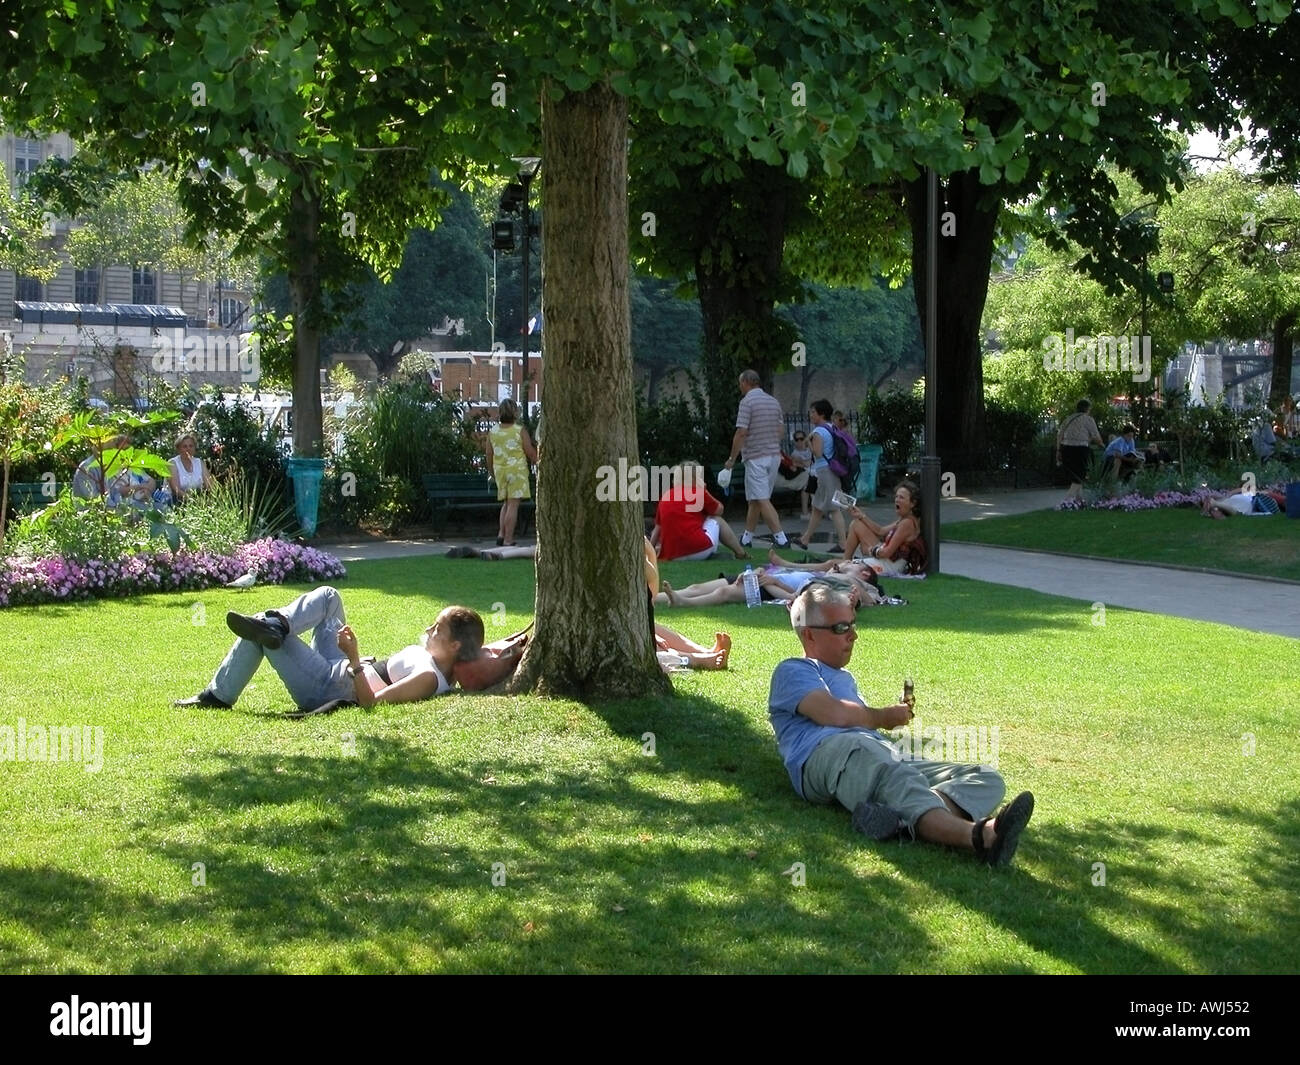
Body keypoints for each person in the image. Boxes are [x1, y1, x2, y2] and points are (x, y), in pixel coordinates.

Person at [768, 582, 1035, 865]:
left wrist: (882, 721)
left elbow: (853, 719)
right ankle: (981, 837)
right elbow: (833, 714)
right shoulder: (792, 670)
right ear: (809, 635)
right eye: (841, 628)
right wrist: (882, 717)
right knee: (893, 772)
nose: (853, 636)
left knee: (984, 776)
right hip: (825, 755)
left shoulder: (845, 679)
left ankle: (897, 823)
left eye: (853, 625)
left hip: (874, 752)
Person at [172, 586, 490, 712]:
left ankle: (217, 696)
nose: (427, 630)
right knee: (328, 597)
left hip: (328, 684)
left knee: (257, 627)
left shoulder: (429, 678)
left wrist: (354, 658)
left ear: (455, 645)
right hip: (340, 665)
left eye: (436, 629)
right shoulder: (436, 665)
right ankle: (280, 624)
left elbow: (372, 703)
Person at [722, 369, 790, 548]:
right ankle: (746, 538)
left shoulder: (747, 402)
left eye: (740, 383)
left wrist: (731, 459)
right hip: (773, 456)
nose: (739, 387)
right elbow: (780, 431)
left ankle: (781, 538)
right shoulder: (773, 401)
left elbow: (741, 432)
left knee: (761, 498)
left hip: (755, 457)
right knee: (756, 498)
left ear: (745, 382)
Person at [651, 461, 748, 562]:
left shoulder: (666, 495)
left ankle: (715, 554)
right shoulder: (698, 492)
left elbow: (657, 528)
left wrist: (649, 552)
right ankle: (740, 552)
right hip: (699, 550)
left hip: (674, 556)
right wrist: (704, 491)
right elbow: (719, 510)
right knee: (717, 520)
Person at [789, 399, 848, 551]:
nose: (811, 415)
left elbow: (818, 453)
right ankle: (805, 539)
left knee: (834, 508)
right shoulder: (831, 427)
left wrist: (809, 442)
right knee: (817, 507)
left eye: (813, 412)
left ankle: (843, 544)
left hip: (824, 472)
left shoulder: (819, 431)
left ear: (821, 414)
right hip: (831, 471)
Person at [839, 480, 926, 575]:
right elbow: (881, 531)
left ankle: (844, 562)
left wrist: (871, 550)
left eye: (901, 497)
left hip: (889, 565)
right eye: (896, 496)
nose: (896, 500)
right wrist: (861, 515)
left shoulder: (907, 523)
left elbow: (887, 553)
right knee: (856, 523)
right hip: (887, 561)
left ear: (912, 503)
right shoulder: (904, 520)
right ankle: (845, 560)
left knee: (836, 565)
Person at [486, 398, 538, 547]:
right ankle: (508, 539)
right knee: (514, 505)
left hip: (500, 471)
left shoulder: (493, 432)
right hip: (517, 471)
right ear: (515, 412)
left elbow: (489, 454)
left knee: (506, 503)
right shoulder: (519, 430)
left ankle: (501, 534)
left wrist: (492, 471)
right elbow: (530, 453)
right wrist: (538, 459)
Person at [1055, 399, 1103, 501]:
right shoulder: (1088, 419)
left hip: (1066, 448)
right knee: (1080, 475)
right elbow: (1096, 437)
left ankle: (1079, 499)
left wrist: (1058, 450)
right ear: (1087, 409)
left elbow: (1059, 435)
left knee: (1075, 474)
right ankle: (1067, 500)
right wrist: (1102, 444)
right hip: (1080, 449)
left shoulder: (1068, 419)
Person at [167, 431, 214, 502]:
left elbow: (210, 485)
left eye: (191, 446)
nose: (188, 448)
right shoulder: (172, 463)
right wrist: (192, 500)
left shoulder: (199, 462)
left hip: (197, 500)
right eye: (184, 446)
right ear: (179, 449)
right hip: (174, 501)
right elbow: (175, 489)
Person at [786, 430, 814, 517]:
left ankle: (814, 512)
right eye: (797, 439)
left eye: (801, 439)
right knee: (807, 486)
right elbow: (807, 464)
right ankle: (809, 513)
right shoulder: (794, 453)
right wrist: (805, 462)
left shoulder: (810, 449)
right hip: (805, 476)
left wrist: (801, 461)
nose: (799, 441)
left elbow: (809, 462)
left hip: (816, 473)